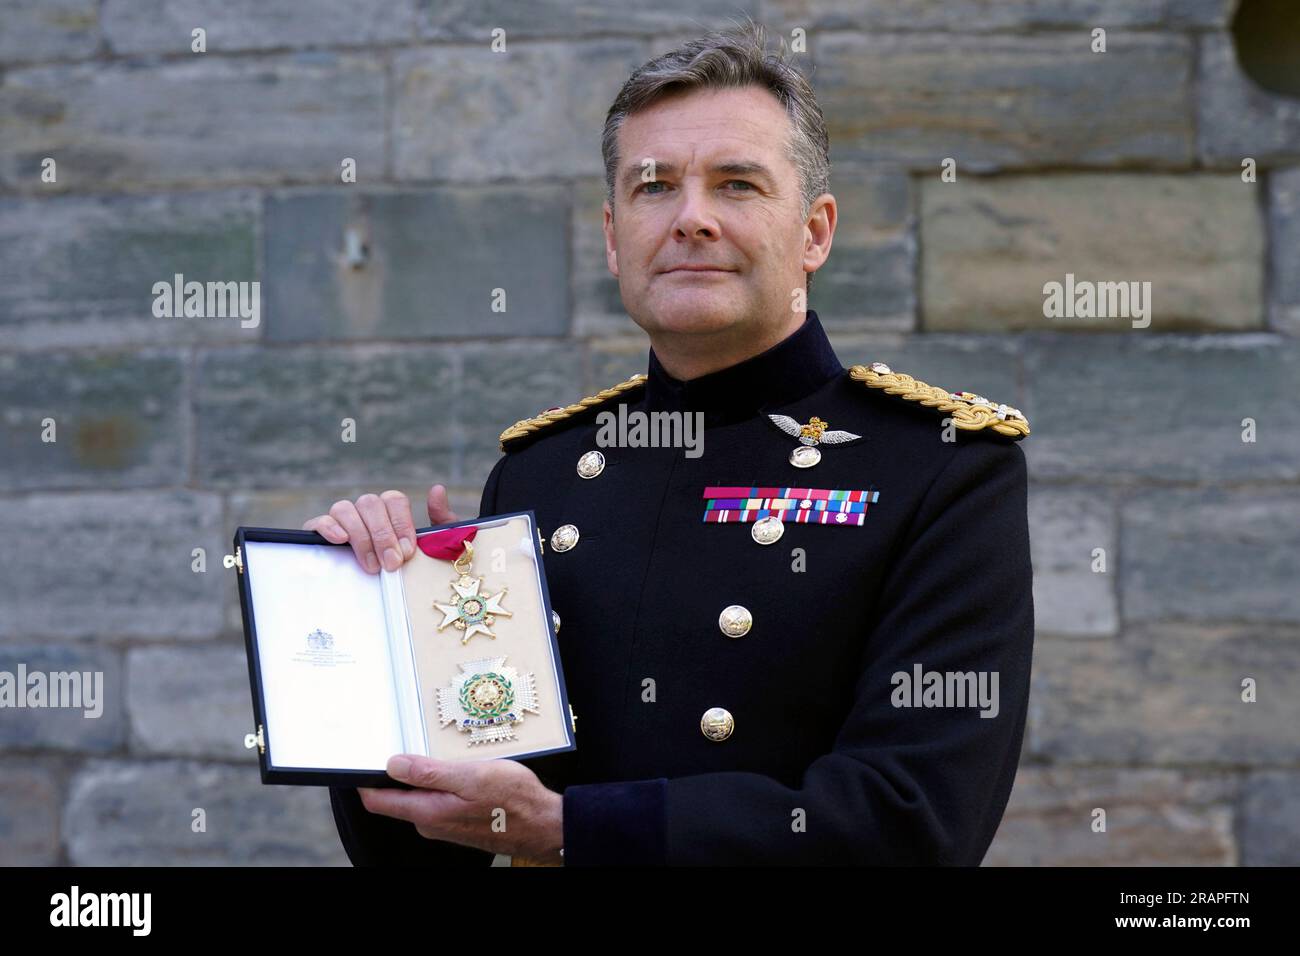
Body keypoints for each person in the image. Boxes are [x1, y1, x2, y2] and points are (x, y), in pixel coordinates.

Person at [304, 21, 1033, 866]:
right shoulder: (540, 476)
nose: (692, 219)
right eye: (654, 188)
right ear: (614, 238)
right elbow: (432, 855)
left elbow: (913, 824)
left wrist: (576, 832)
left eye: (737, 185)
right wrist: (386, 644)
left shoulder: (940, 468)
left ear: (815, 233)